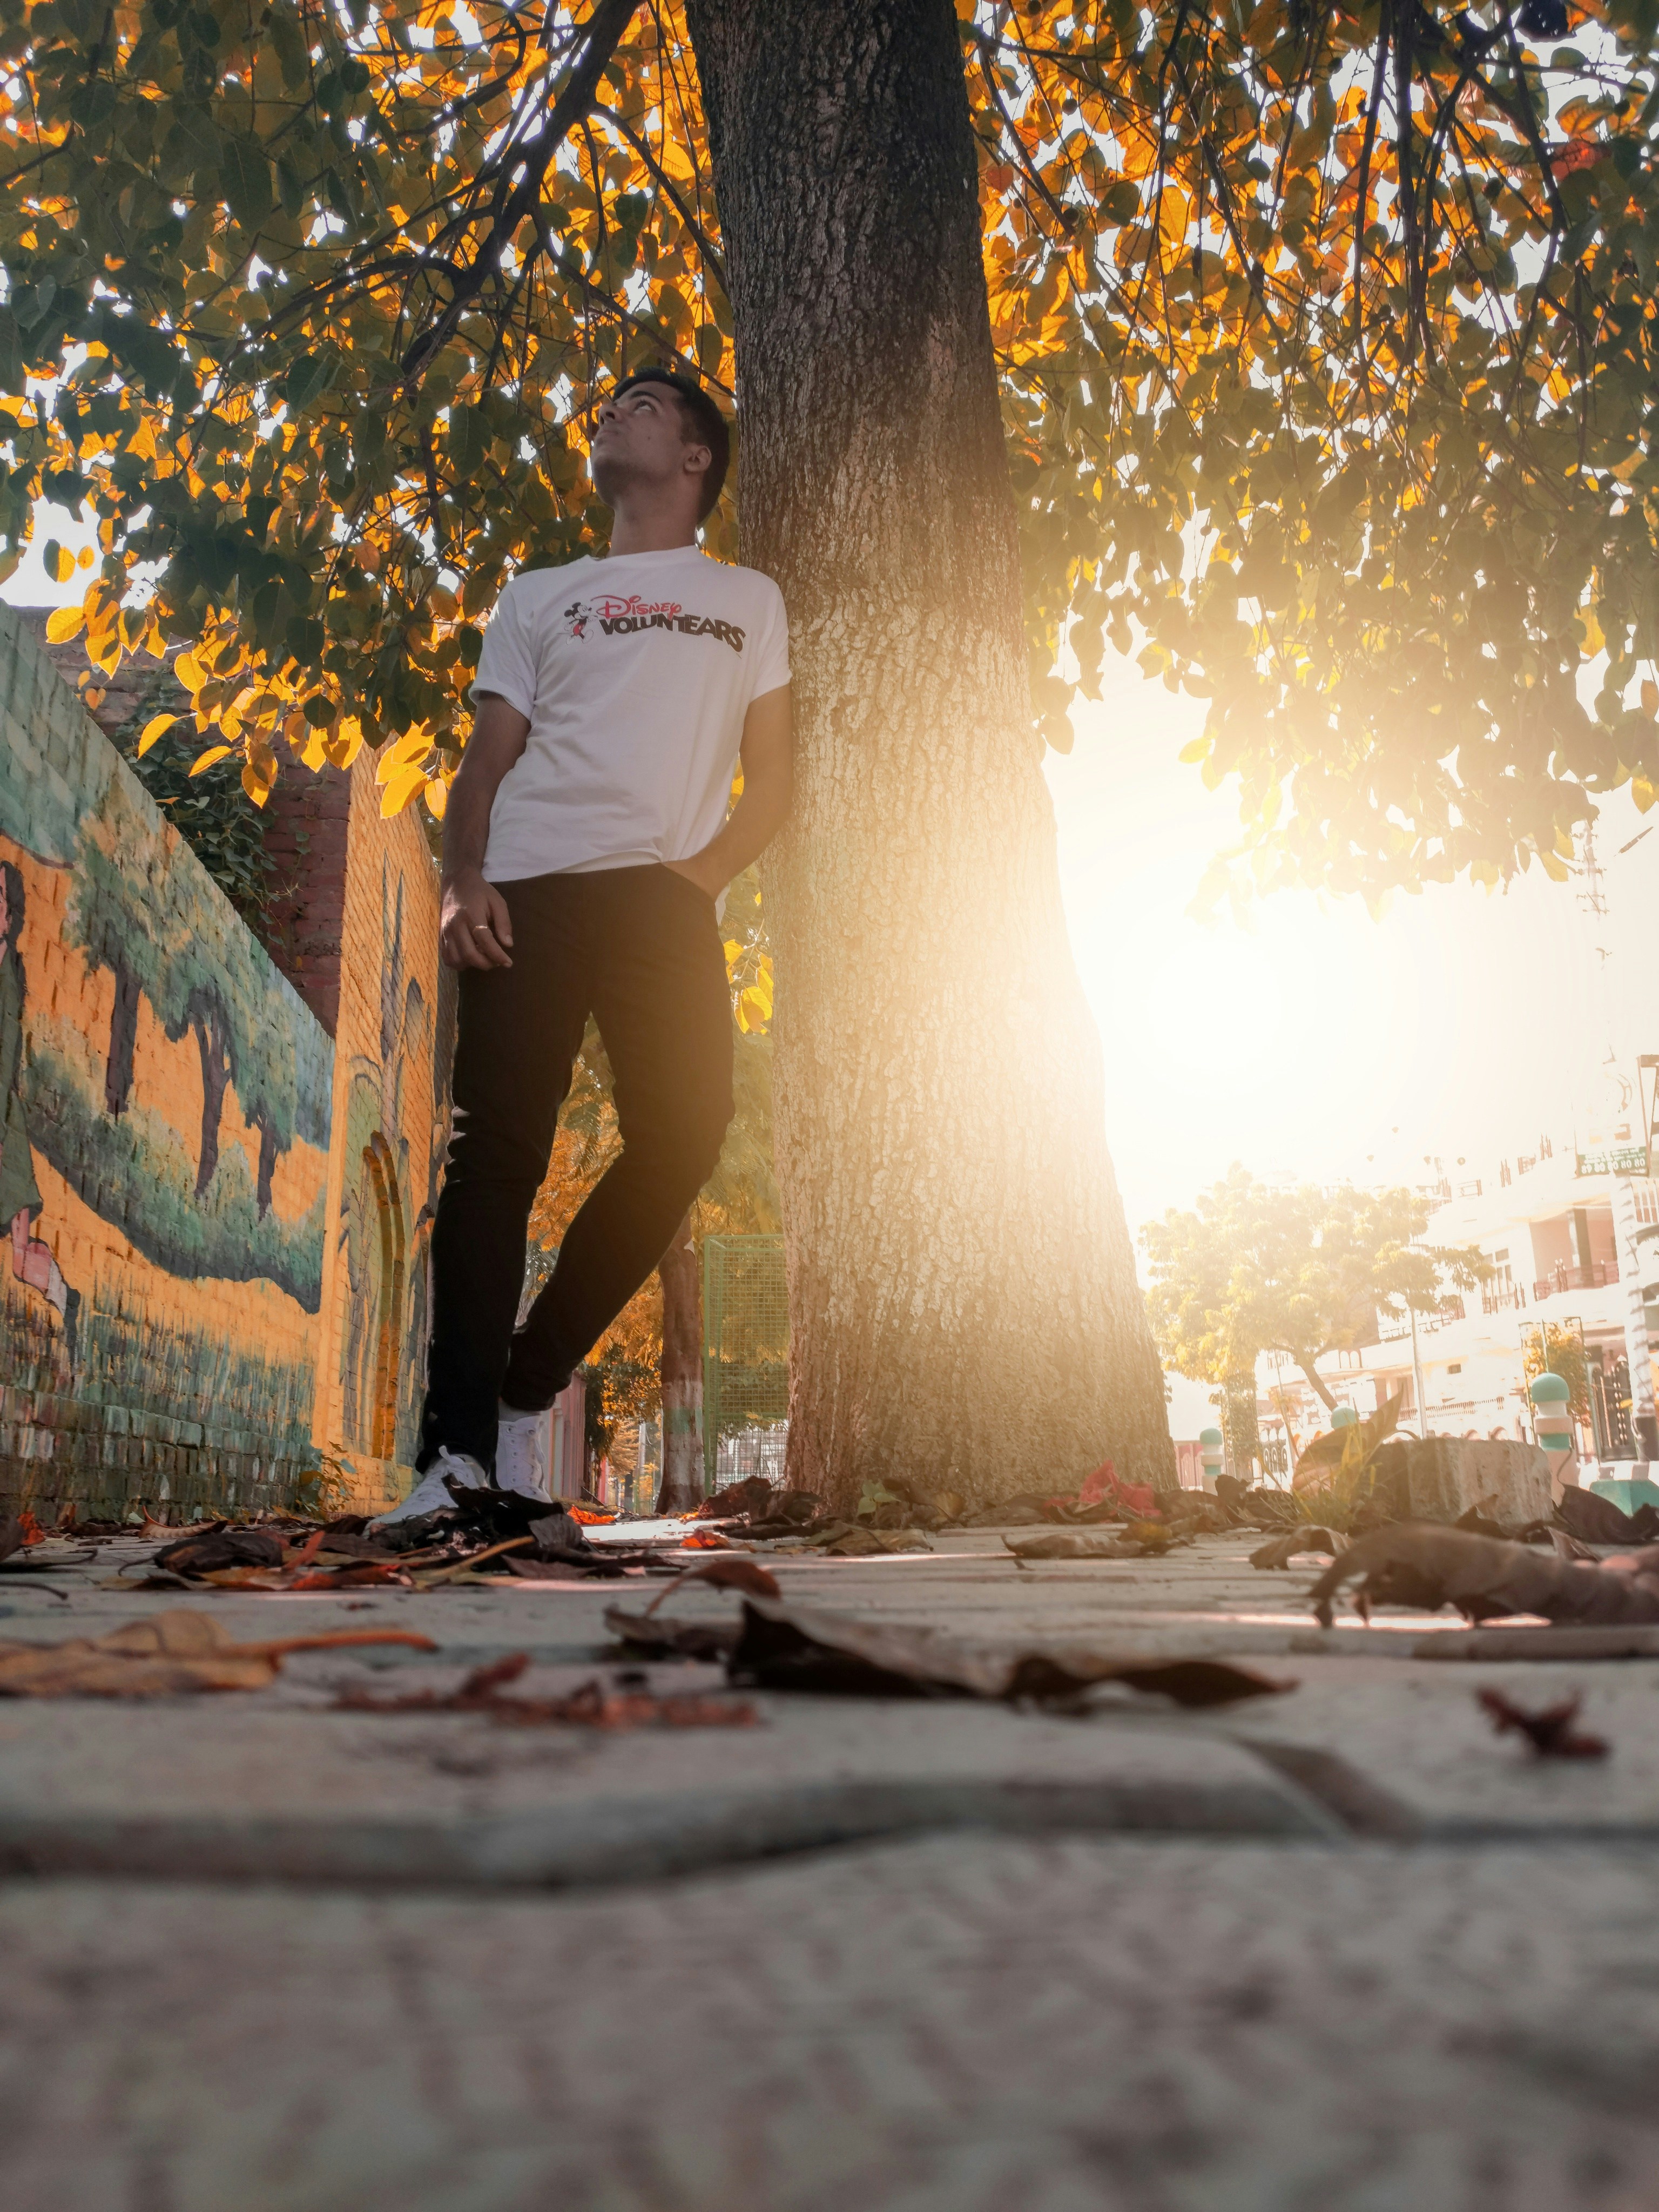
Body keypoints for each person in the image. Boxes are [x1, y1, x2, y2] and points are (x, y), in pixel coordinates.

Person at [374, 369, 792, 1529]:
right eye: (608, 399)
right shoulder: (543, 594)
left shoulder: (749, 599)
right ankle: (454, 1454)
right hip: (532, 885)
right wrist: (463, 879)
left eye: (646, 401)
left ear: (699, 456)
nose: (613, 407)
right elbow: (485, 762)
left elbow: (774, 785)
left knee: (687, 1134)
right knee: (496, 1153)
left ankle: (530, 1367)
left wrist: (696, 881)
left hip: (663, 895)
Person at [0, 861, 79, 1360]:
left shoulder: (11, 974)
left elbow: (8, 1056)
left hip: (6, 1134)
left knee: (18, 1262)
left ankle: (67, 1300)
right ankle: (69, 1298)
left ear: (11, 916)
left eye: (2, 900)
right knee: (18, 1257)